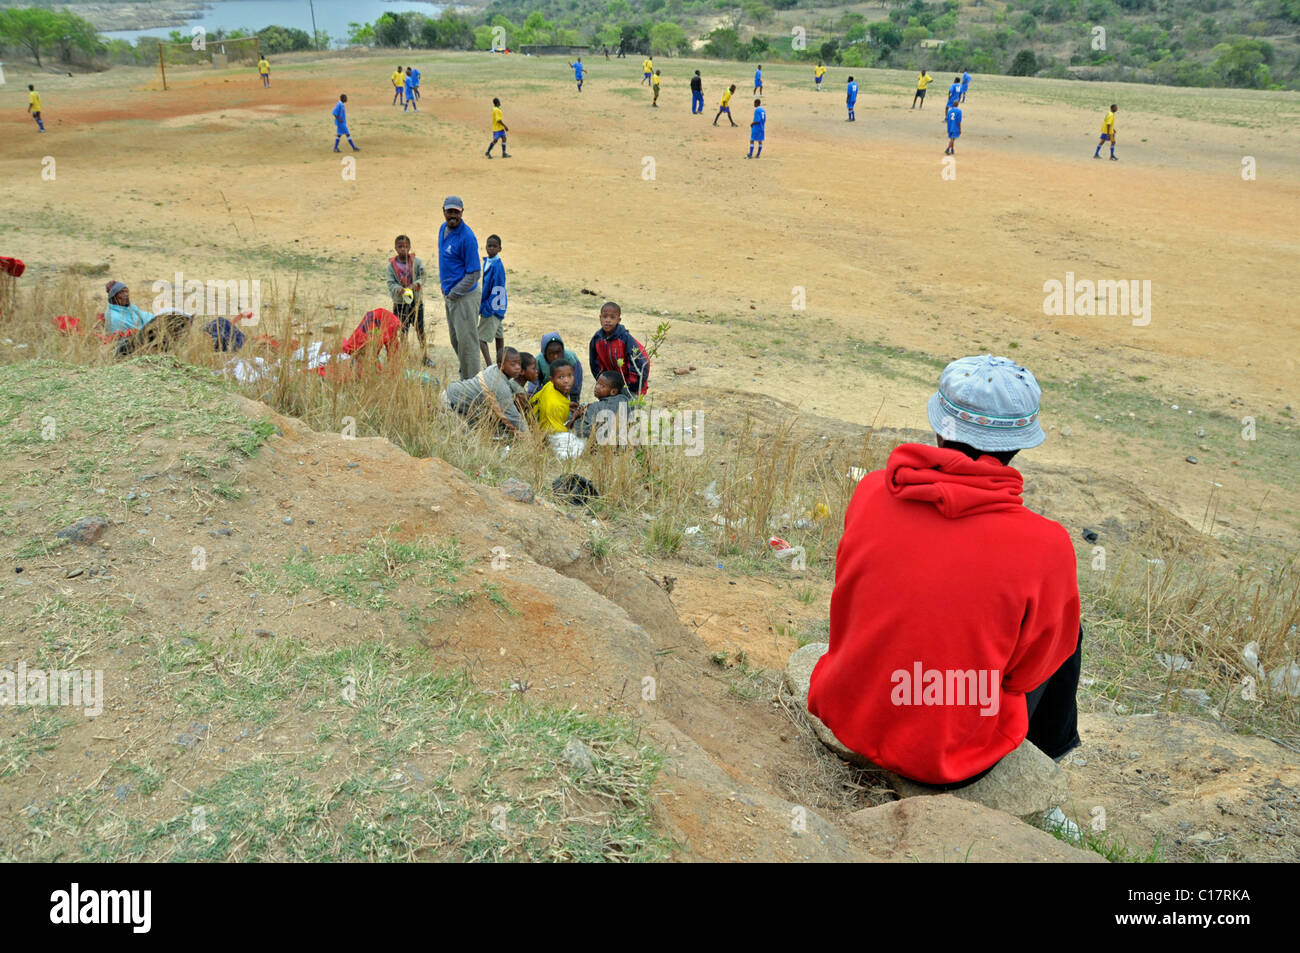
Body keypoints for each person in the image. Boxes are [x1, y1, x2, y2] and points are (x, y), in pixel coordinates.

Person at [807, 355, 1082, 789]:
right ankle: (1048, 766)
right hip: (944, 759)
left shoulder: (873, 491)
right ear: (1021, 444)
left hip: (846, 716)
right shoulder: (1046, 545)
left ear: (940, 426)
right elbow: (1028, 672)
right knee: (1067, 630)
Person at [437, 196, 482, 381]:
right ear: (444, 211)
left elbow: (474, 274)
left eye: (456, 211)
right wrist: (445, 287)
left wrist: (454, 293)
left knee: (468, 344)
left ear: (462, 212)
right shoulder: (442, 228)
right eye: (450, 211)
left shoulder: (467, 238)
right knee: (456, 340)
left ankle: (473, 385)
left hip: (464, 297)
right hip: (451, 296)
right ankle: (466, 376)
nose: (453, 215)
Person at [442, 348, 528, 435]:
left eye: (519, 363)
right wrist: (530, 438)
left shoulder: (495, 369)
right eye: (513, 364)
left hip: (454, 395)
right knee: (464, 437)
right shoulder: (498, 385)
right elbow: (514, 419)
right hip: (450, 402)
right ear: (501, 365)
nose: (518, 367)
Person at [588, 301, 649, 396]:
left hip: (631, 387)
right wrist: (603, 383)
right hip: (610, 386)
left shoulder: (625, 339)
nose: (607, 320)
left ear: (619, 320)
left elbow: (640, 364)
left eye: (612, 317)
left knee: (627, 409)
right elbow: (594, 364)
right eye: (605, 317)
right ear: (600, 318)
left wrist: (631, 387)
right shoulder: (597, 339)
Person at [531, 358, 584, 458]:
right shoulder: (554, 405)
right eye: (561, 377)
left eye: (570, 375)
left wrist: (567, 405)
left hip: (543, 421)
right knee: (581, 446)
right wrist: (574, 417)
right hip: (549, 435)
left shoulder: (550, 386)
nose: (566, 380)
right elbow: (559, 432)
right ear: (552, 379)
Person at [386, 234, 428, 359]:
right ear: (395, 248)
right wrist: (398, 289)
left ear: (410, 247)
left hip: (416, 302)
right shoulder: (391, 266)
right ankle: (404, 356)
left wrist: (416, 284)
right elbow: (390, 282)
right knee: (402, 331)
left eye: (405, 246)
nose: (403, 249)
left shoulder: (417, 262)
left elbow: (423, 275)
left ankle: (425, 356)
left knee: (420, 329)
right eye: (400, 247)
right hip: (400, 303)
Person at [573, 371, 631, 441]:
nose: (597, 387)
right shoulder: (625, 400)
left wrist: (575, 418)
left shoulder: (594, 407)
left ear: (613, 392)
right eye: (597, 383)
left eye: (602, 386)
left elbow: (580, 432)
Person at [478, 234, 507, 368]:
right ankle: (500, 364)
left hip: (493, 307)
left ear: (499, 249)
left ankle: (490, 366)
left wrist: (488, 308)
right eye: (489, 245)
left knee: (480, 338)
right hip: (497, 306)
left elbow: (498, 288)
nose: (491, 248)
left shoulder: (497, 266)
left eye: (495, 246)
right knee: (498, 335)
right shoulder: (488, 262)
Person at [537, 332, 584, 408]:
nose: (556, 357)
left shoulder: (570, 358)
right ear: (545, 353)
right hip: (547, 396)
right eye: (551, 353)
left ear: (563, 350)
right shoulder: (539, 360)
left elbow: (576, 383)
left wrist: (573, 401)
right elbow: (534, 385)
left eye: (558, 352)